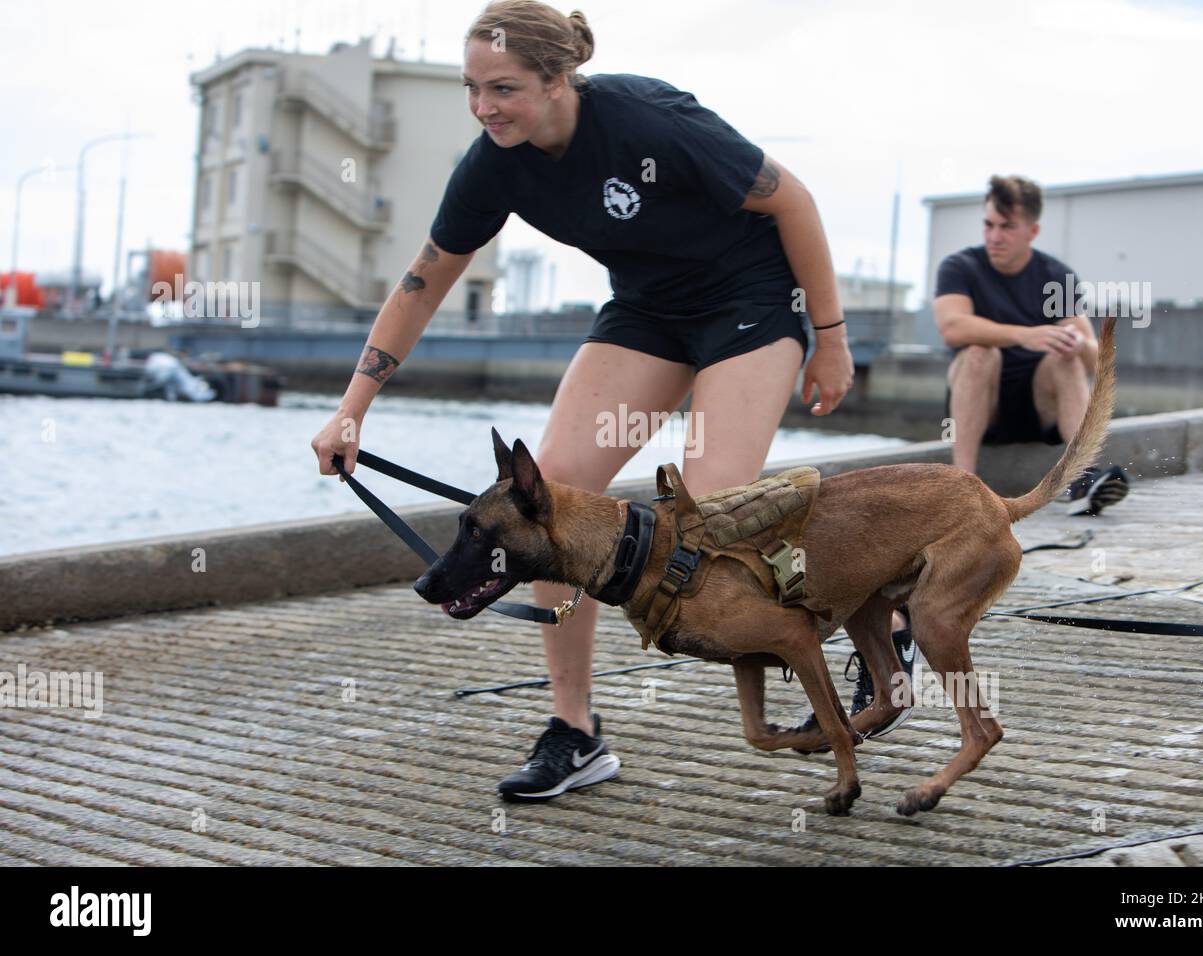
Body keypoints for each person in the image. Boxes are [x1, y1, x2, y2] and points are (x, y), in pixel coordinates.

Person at [313, 0, 907, 801]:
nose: (484, 107)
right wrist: (354, 407)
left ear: (560, 82)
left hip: (749, 301)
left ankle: (886, 624)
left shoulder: (651, 121)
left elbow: (792, 199)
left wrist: (831, 337)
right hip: (647, 312)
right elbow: (423, 281)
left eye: (504, 89)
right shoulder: (495, 161)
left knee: (717, 513)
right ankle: (576, 731)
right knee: (547, 503)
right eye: (472, 88)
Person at [933, 174, 1129, 516]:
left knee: (1066, 360)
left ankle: (1084, 479)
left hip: (1039, 410)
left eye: (1006, 227)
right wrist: (1026, 334)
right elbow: (952, 328)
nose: (994, 237)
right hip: (982, 403)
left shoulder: (1056, 276)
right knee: (980, 352)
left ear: (1032, 231)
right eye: (989, 225)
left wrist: (1075, 343)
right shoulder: (960, 267)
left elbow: (1093, 357)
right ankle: (962, 485)